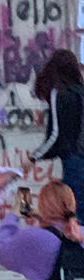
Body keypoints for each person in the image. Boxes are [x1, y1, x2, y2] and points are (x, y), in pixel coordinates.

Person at [33, 49, 84, 202]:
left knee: (74, 212)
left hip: (74, 161)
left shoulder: (59, 93)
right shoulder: (80, 92)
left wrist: (33, 157)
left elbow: (55, 134)